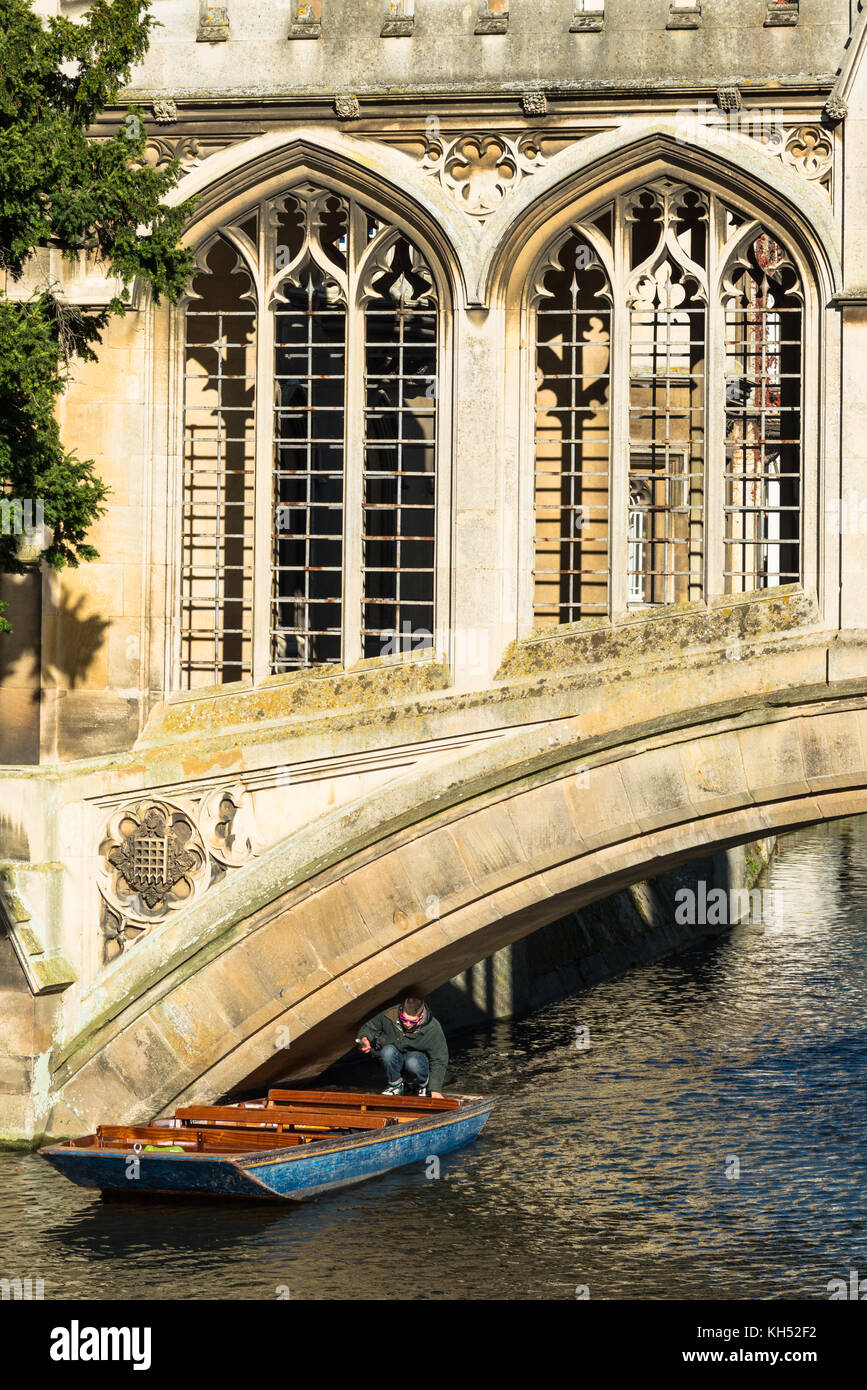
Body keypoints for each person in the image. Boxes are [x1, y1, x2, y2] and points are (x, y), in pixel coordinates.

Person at [356, 995, 448, 1097]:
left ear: (421, 1016)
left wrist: (435, 1089)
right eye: (404, 1019)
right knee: (387, 1052)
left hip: (417, 1061)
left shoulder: (433, 1028)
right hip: (395, 1057)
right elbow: (369, 1027)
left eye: (412, 1021)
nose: (407, 1024)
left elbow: (439, 1059)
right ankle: (396, 1085)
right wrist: (364, 1038)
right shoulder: (389, 1014)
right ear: (400, 1011)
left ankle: (423, 1085)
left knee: (413, 1061)